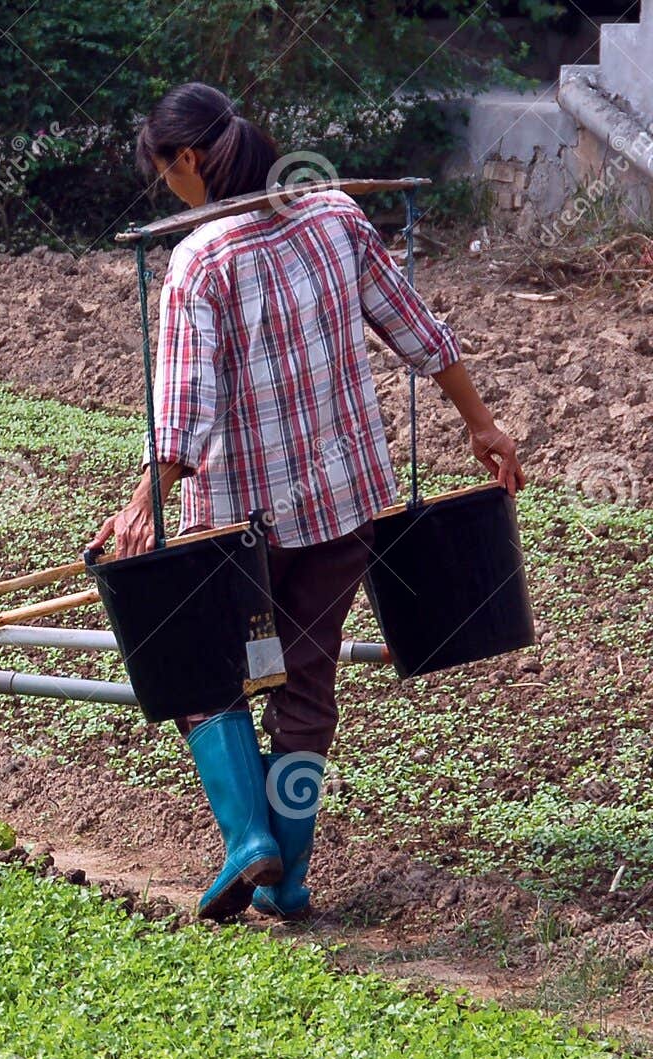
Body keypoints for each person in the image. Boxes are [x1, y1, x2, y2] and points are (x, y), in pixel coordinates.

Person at [88, 83, 526, 923]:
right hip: (341, 506)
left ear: (188, 160)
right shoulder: (333, 217)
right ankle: (289, 880)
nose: (170, 191)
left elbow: (185, 414)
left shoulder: (199, 261)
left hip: (237, 526)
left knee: (208, 672)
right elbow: (415, 329)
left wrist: (142, 504)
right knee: (306, 682)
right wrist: (483, 425)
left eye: (165, 173)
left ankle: (251, 839)